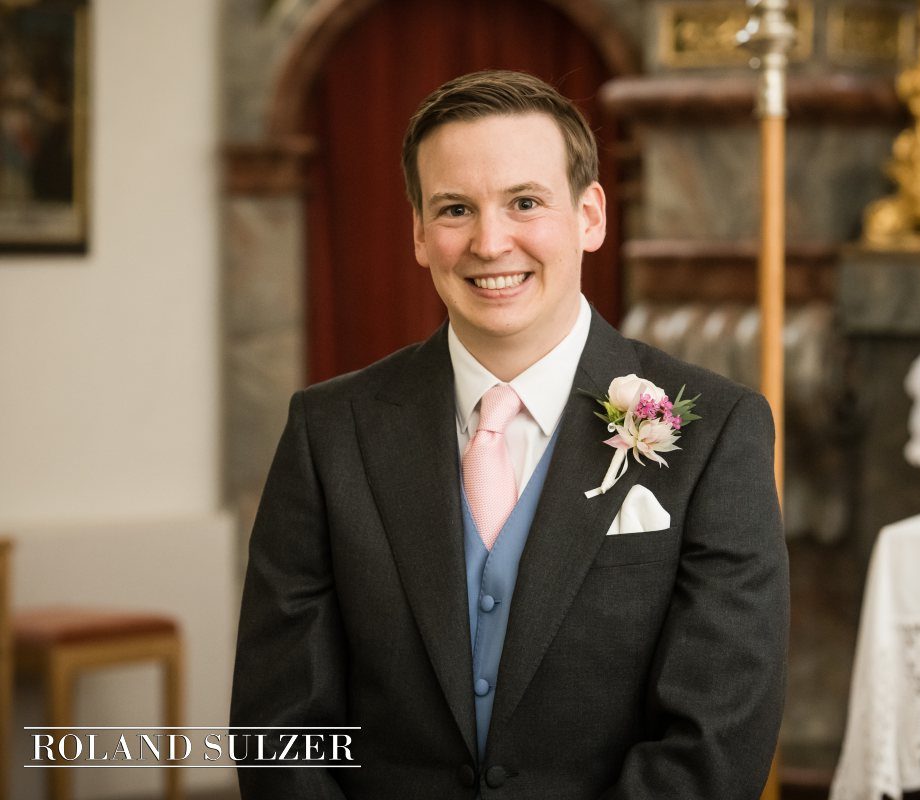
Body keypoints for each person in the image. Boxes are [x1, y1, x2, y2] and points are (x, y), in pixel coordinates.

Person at [231, 69, 789, 799]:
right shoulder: (330, 430)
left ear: (590, 215)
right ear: (420, 235)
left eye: (525, 202)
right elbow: (279, 726)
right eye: (456, 209)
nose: (491, 243)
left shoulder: (716, 431)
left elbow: (718, 733)